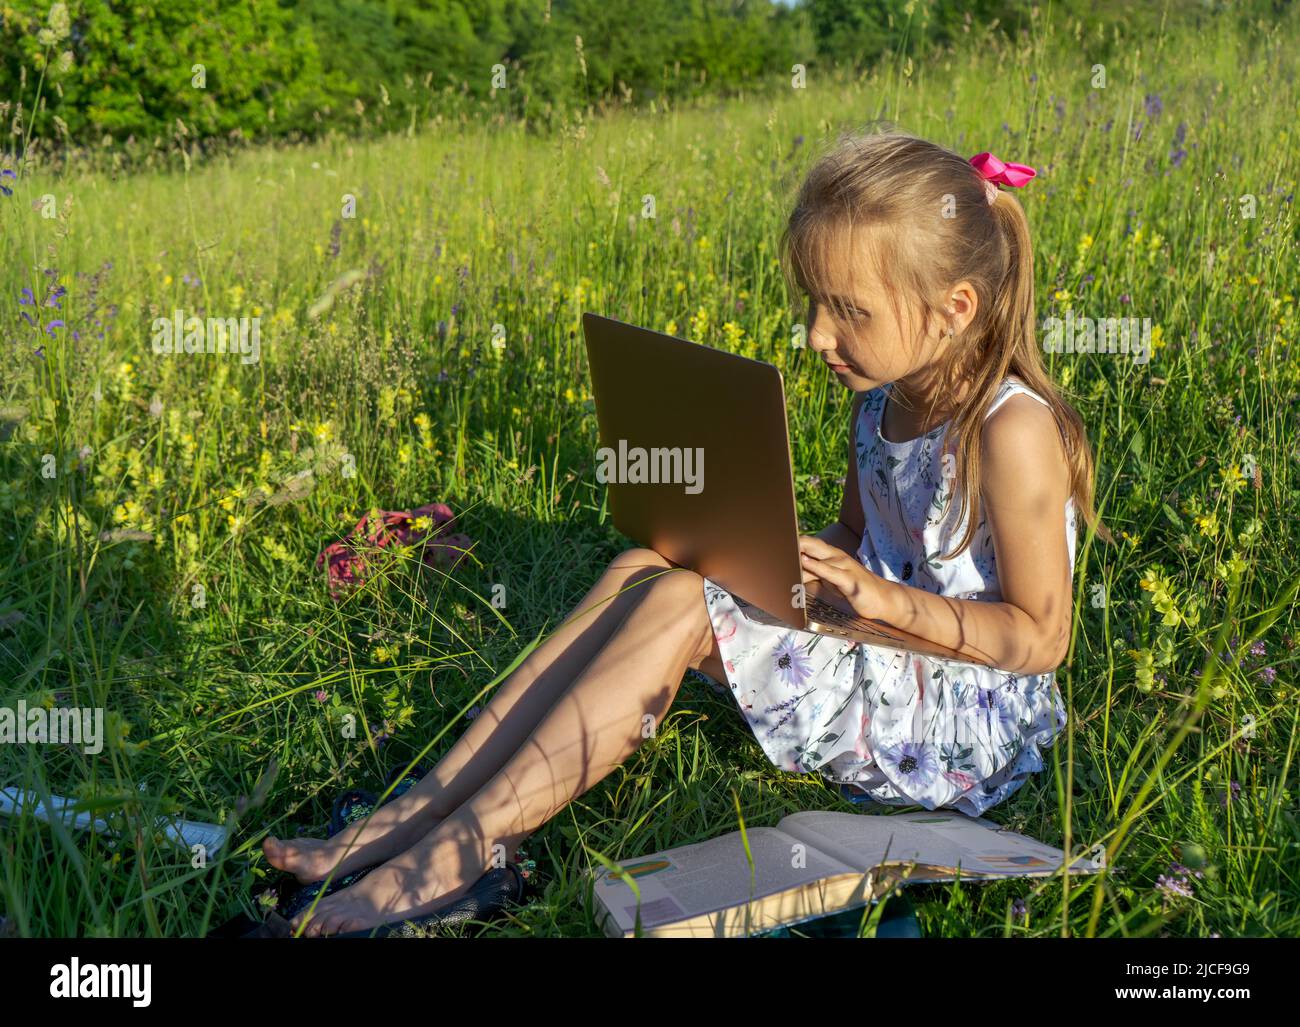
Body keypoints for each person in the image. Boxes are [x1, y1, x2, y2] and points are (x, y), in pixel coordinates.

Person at [264, 128, 1104, 936]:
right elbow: (857, 531)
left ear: (954, 308)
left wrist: (879, 601)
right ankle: (428, 803)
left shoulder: (1010, 430)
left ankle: (460, 850)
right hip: (886, 646)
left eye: (848, 310)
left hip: (968, 717)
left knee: (683, 605)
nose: (818, 334)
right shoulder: (881, 398)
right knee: (644, 566)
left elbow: (1042, 639)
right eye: (814, 302)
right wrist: (782, 561)